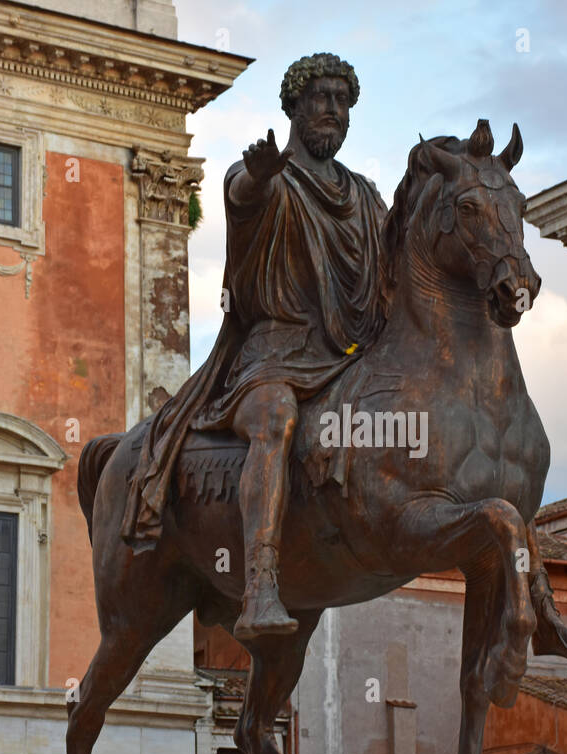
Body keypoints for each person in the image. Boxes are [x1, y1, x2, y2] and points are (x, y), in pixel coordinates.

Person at [121, 53, 387, 640]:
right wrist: (259, 175)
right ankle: (261, 583)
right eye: (320, 98)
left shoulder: (366, 198)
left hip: (344, 358)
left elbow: (394, 271)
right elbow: (240, 196)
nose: (332, 111)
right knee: (276, 421)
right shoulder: (265, 180)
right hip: (268, 356)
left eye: (342, 102)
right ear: (292, 105)